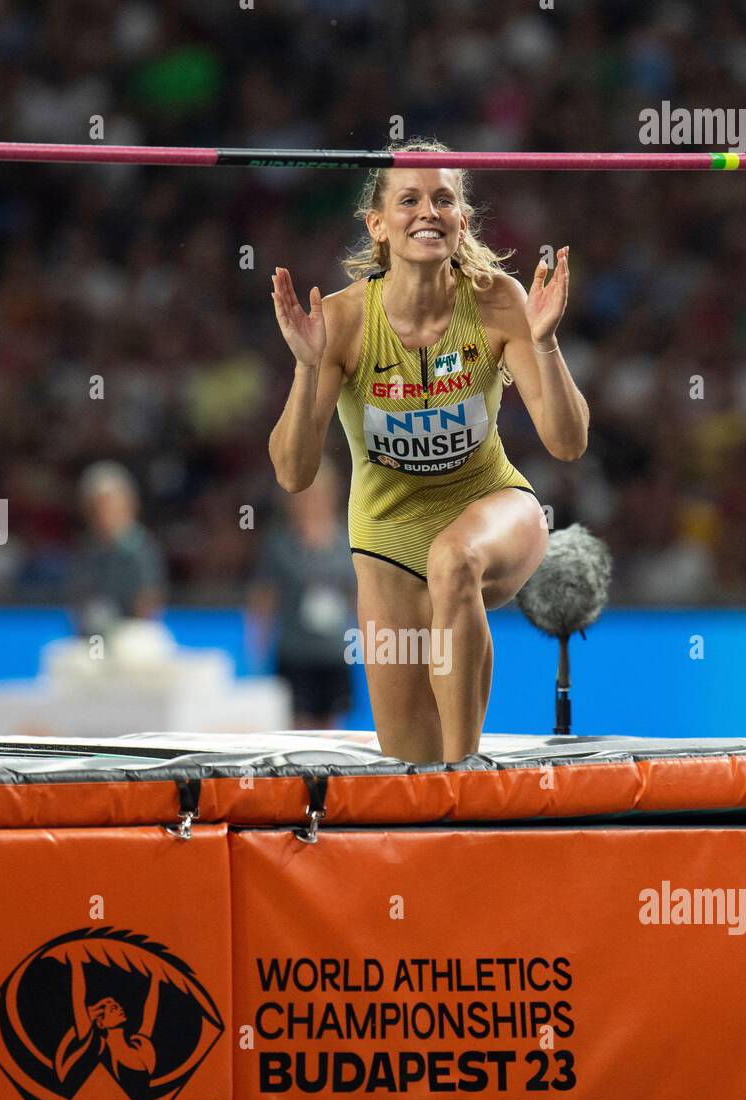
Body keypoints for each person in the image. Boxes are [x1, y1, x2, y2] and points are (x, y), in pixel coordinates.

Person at [269, 138, 589, 763]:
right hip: (387, 538)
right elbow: (292, 474)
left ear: (462, 219)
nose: (428, 211)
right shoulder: (342, 320)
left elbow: (568, 442)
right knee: (411, 764)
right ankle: (447, 796)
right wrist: (307, 370)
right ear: (378, 224)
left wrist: (545, 342)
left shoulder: (498, 300)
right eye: (409, 199)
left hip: (494, 506)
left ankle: (467, 778)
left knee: (454, 560)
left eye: (444, 199)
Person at [246, 458, 356, 729]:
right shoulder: (279, 546)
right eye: (303, 497)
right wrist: (257, 647)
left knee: (331, 731)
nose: (310, 503)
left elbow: (359, 597)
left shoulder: (347, 543)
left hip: (333, 653)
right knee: (298, 729)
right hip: (295, 654)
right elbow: (264, 599)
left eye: (317, 496)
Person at [70, 459, 167, 637]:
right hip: (94, 636)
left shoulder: (142, 548)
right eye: (97, 506)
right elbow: (79, 604)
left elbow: (148, 605)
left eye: (109, 504)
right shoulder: (86, 551)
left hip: (134, 635)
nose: (103, 513)